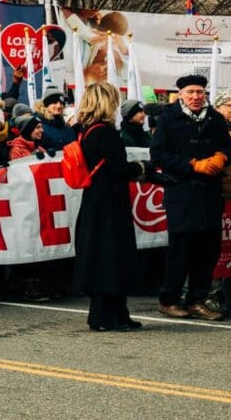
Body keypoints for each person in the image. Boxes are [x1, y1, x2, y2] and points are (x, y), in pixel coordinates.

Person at [150, 73, 231, 320]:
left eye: (200, 92)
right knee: (181, 248)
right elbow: (159, 156)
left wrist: (222, 156)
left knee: (208, 248)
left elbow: (227, 146)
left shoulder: (215, 119)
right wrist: (192, 164)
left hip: (210, 193)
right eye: (191, 92)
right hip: (181, 192)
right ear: (181, 95)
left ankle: (197, 299)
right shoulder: (167, 120)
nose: (196, 97)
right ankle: (169, 299)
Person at [70, 82, 149, 331]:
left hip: (95, 198)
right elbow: (118, 168)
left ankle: (114, 313)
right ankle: (107, 315)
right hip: (110, 201)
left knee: (103, 254)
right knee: (112, 254)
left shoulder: (87, 130)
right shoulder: (106, 132)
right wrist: (140, 169)